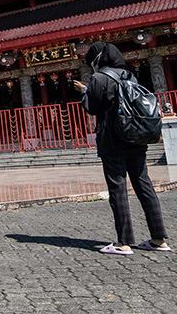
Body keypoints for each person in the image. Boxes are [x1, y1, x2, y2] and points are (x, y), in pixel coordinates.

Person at [73, 42, 171, 255]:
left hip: (113, 141)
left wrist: (84, 91)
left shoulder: (99, 78)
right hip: (136, 138)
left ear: (97, 59)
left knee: (118, 189)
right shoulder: (129, 75)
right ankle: (158, 238)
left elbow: (92, 107)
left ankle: (123, 242)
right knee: (144, 185)